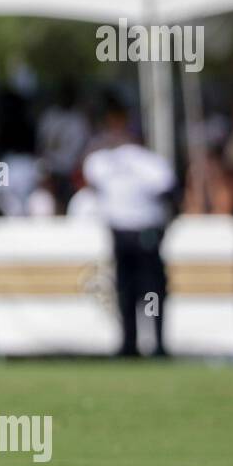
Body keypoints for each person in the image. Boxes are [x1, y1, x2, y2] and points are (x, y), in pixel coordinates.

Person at [82, 100, 176, 357]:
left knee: (152, 290)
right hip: (121, 232)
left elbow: (165, 185)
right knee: (127, 290)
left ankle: (157, 343)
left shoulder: (148, 162)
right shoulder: (106, 159)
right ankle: (128, 343)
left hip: (146, 231)